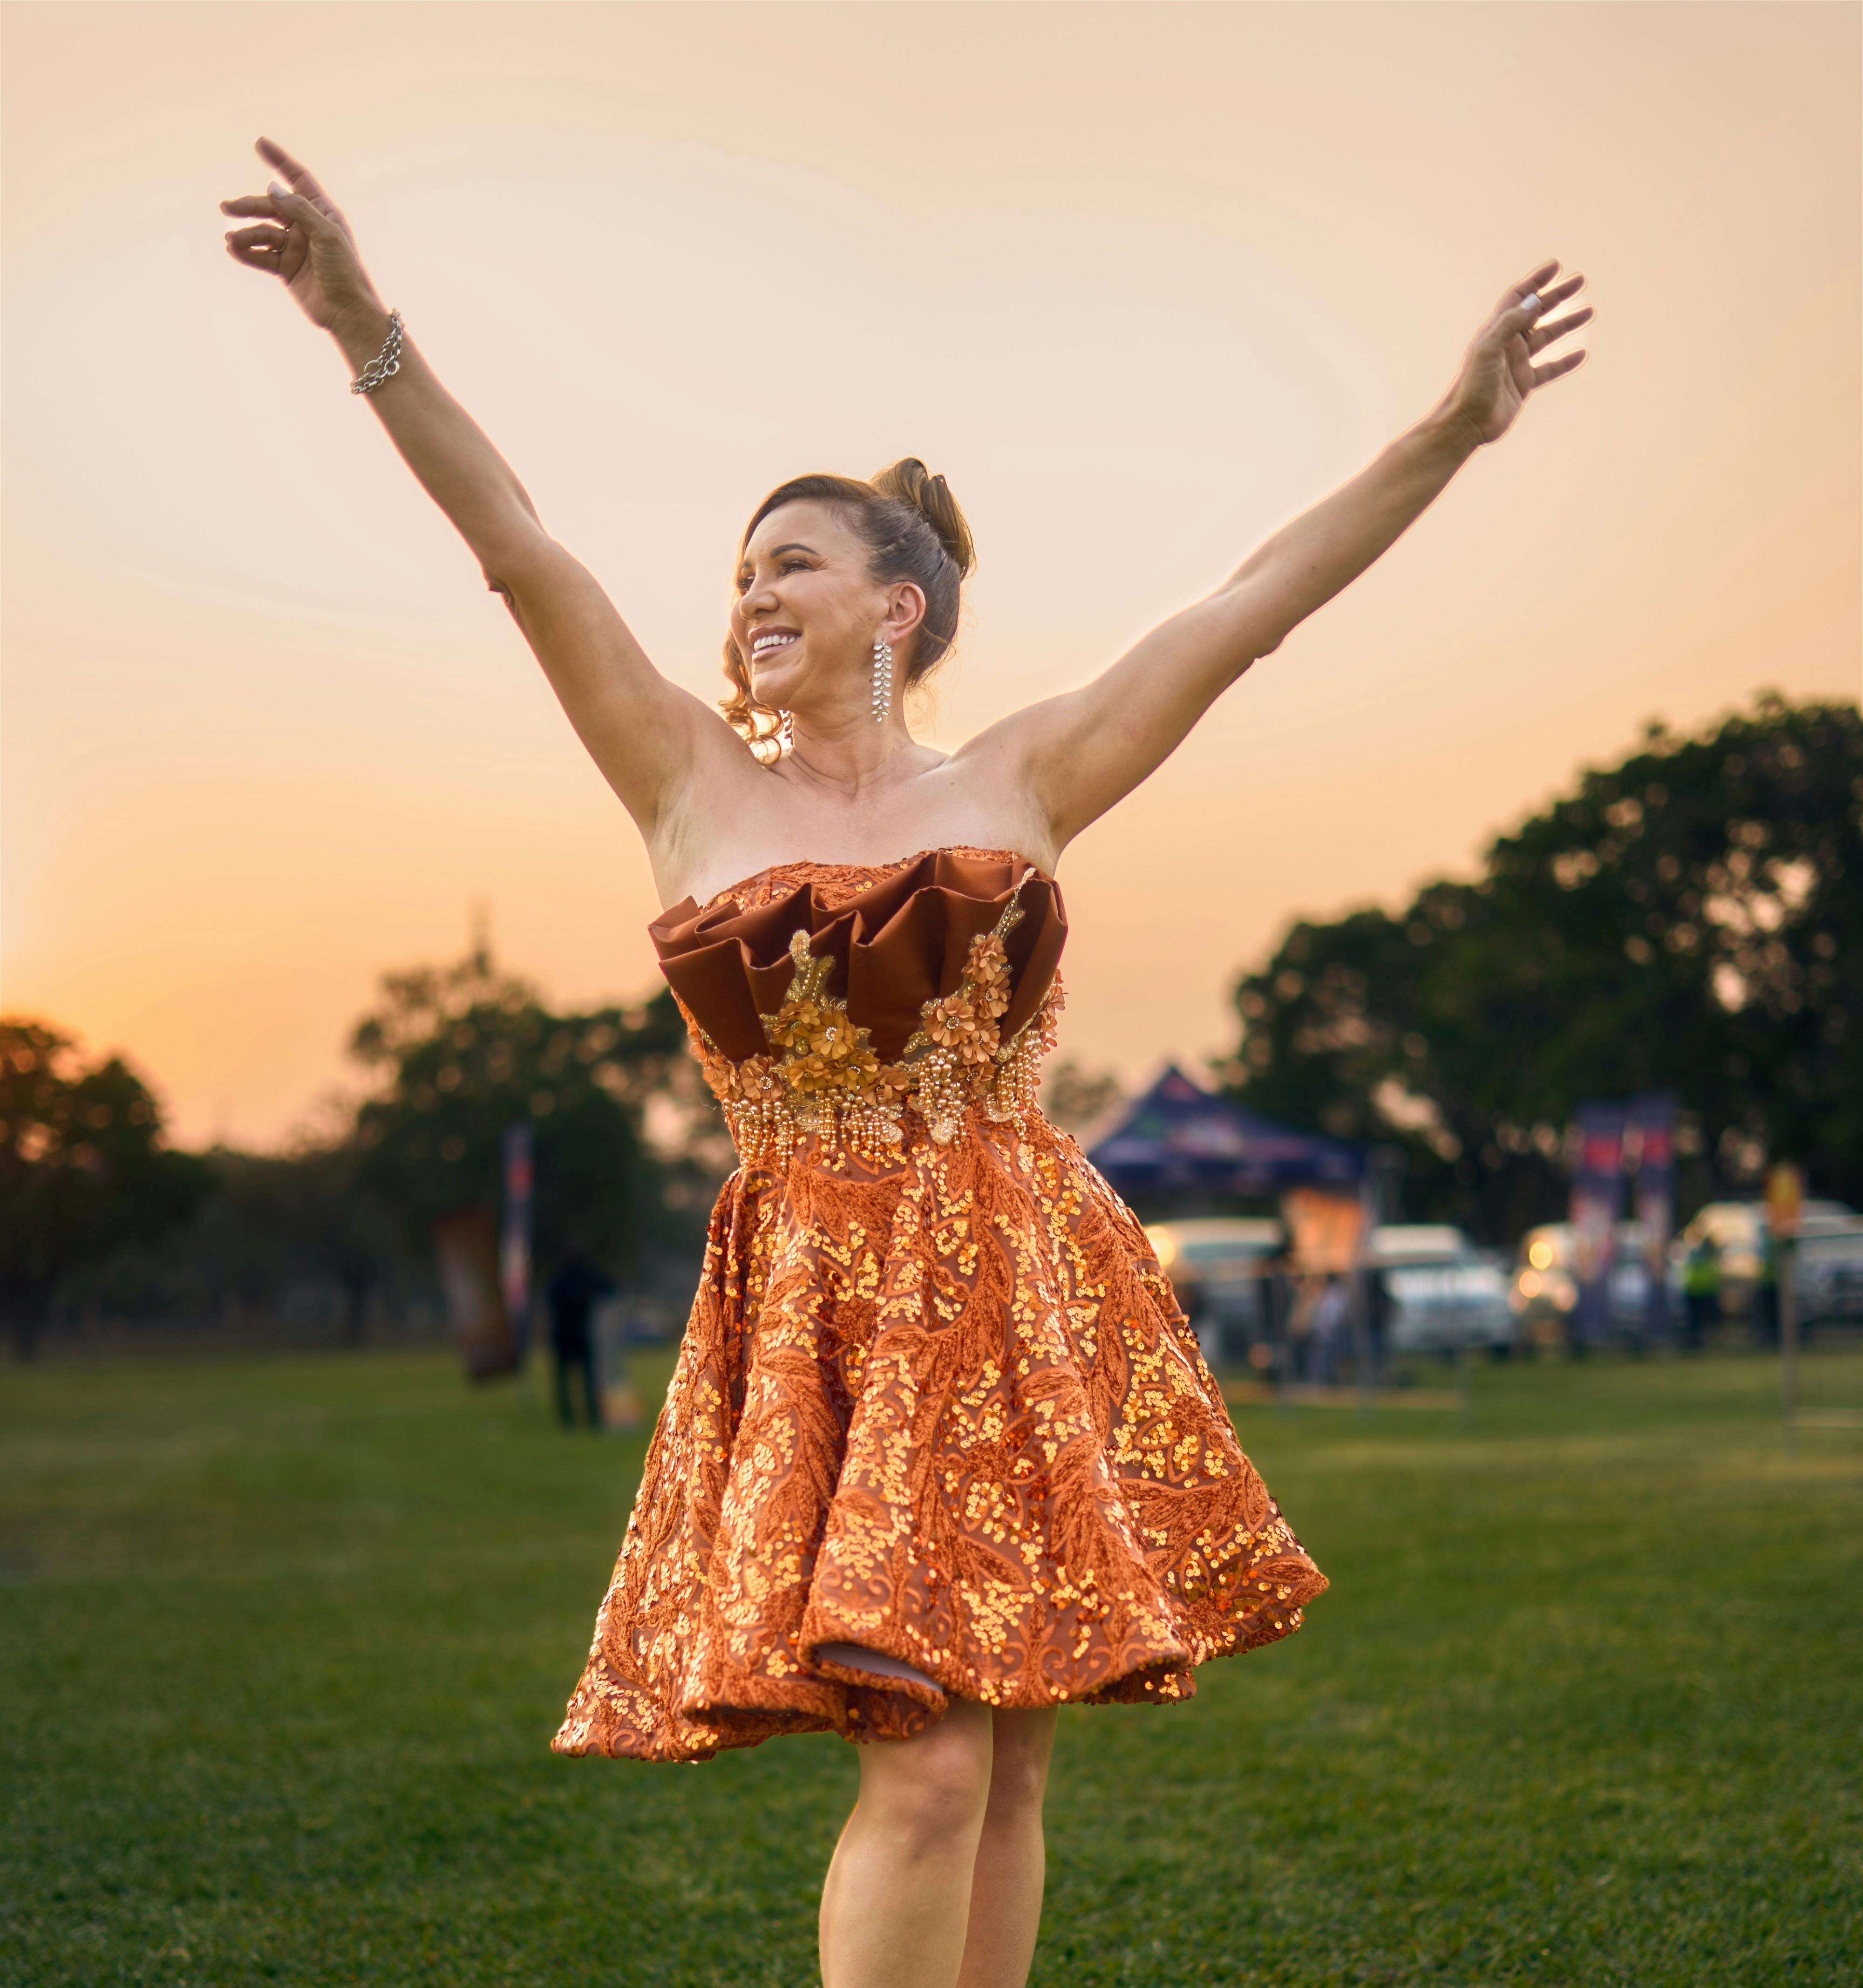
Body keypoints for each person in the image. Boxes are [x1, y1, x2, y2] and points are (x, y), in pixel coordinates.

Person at [221, 135, 1590, 1988]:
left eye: (790, 559)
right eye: (738, 570)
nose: (748, 592)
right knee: (930, 1761)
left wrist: (1451, 430)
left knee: (1012, 1751)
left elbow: (1256, 602)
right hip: (824, 1290)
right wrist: (361, 319)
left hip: (1021, 1266)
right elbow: (518, 542)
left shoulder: (1020, 778)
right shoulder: (686, 779)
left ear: (900, 607)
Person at [547, 1240, 617, 1430]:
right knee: (589, 1379)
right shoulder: (590, 1276)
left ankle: (568, 1420)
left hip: (562, 1335)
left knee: (563, 1380)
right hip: (582, 1334)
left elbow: (550, 1299)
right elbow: (611, 1288)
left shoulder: (560, 1278)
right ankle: (593, 1417)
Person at [1680, 1232, 1720, 1354]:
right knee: (1699, 1320)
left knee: (1700, 1320)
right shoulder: (1697, 1252)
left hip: (1701, 1288)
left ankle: (1700, 1342)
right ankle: (1696, 1342)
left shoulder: (1695, 1251)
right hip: (1700, 1289)